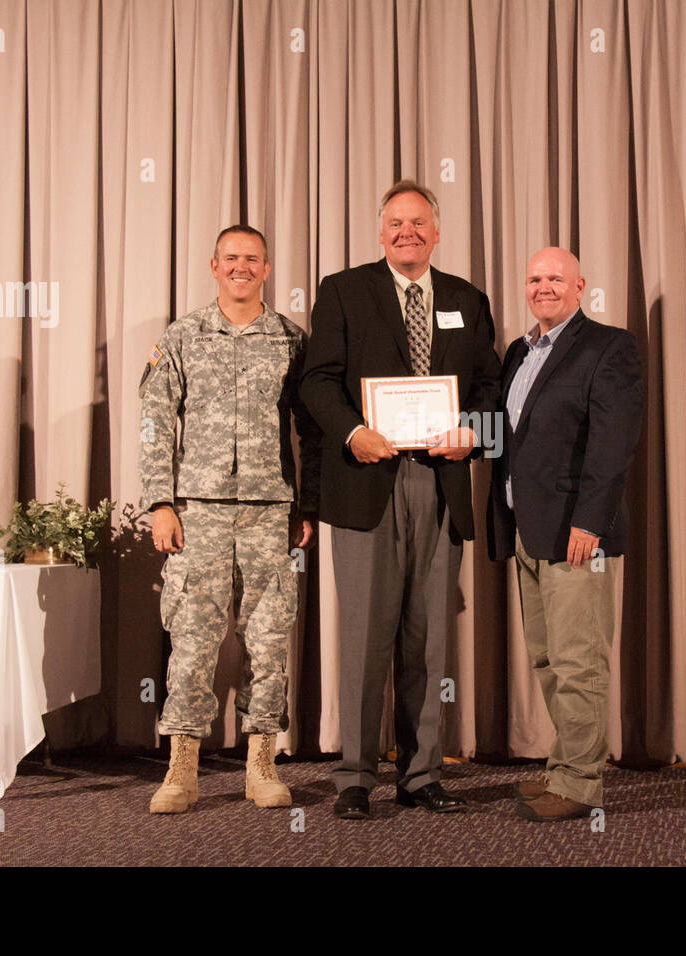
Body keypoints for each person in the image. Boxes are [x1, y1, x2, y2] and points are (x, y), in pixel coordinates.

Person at [300, 181, 502, 819]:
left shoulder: (468, 299)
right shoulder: (343, 291)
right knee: (363, 637)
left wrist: (471, 433)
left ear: (436, 233)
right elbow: (317, 382)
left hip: (439, 483)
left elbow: (492, 386)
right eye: (395, 222)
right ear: (380, 231)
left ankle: (421, 776)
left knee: (427, 641)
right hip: (366, 483)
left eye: (418, 222)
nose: (406, 232)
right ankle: (355, 777)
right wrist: (355, 433)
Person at [138, 225, 321, 813]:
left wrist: (308, 505)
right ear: (213, 266)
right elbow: (156, 421)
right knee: (191, 640)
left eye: (253, 260)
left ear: (267, 270)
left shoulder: (290, 340)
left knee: (267, 642)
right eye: (231, 259)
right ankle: (181, 769)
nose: (242, 267)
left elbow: (310, 431)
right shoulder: (184, 336)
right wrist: (160, 502)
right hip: (199, 511)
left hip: (271, 512)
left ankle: (261, 764)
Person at [486, 247, 643, 822]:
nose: (543, 286)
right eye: (534, 278)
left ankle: (579, 785)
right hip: (527, 532)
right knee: (549, 660)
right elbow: (507, 438)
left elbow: (614, 442)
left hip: (578, 536)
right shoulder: (518, 354)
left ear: (581, 285)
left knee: (581, 663)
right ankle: (564, 769)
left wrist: (590, 522)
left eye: (555, 277)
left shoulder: (609, 346)